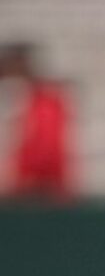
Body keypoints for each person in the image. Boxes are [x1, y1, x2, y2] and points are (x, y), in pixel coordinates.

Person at [1, 43, 77, 198]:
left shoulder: (45, 102)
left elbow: (46, 150)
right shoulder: (29, 101)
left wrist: (22, 182)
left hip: (41, 194)